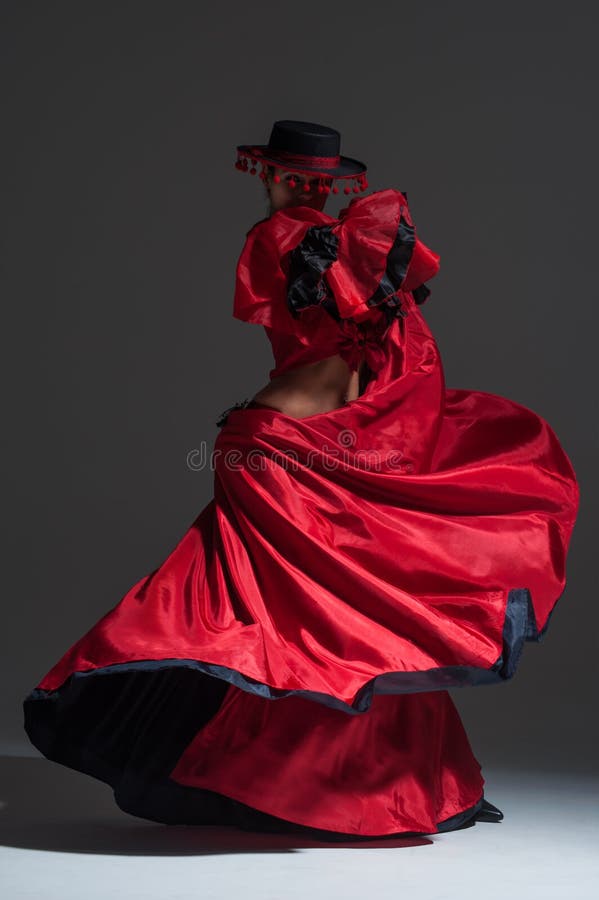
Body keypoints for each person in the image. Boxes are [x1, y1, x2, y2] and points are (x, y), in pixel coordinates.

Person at [22, 120, 580, 841]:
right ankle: (385, 787)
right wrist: (382, 440)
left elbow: (299, 354)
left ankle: (274, 782)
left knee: (260, 608)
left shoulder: (279, 240)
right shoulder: (369, 253)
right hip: (340, 443)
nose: (266, 185)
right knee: (348, 614)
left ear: (279, 177)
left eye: (269, 175)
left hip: (274, 444)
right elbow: (399, 371)